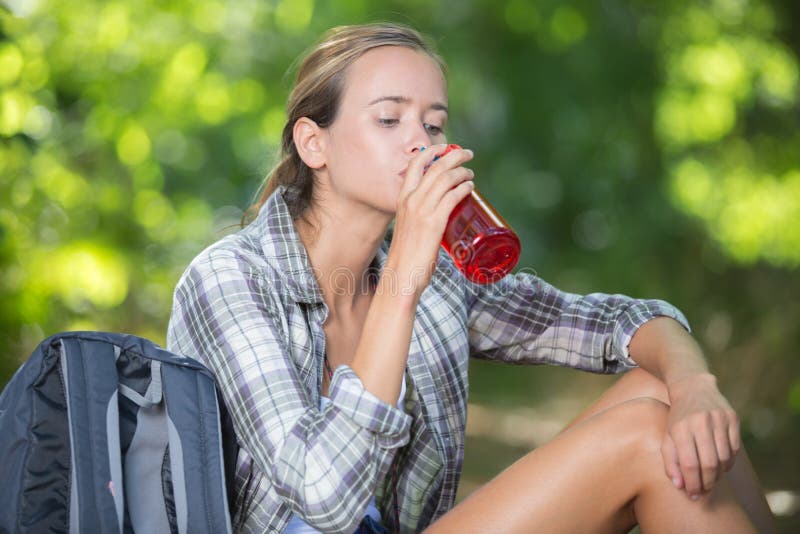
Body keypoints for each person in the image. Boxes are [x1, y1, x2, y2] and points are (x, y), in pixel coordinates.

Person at [166, 22, 775, 533]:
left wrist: (697, 383)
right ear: (313, 144)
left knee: (665, 396)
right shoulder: (230, 280)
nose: (421, 144)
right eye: (388, 120)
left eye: (433, 124)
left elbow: (613, 323)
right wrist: (404, 272)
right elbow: (325, 500)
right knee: (644, 434)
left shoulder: (439, 279)